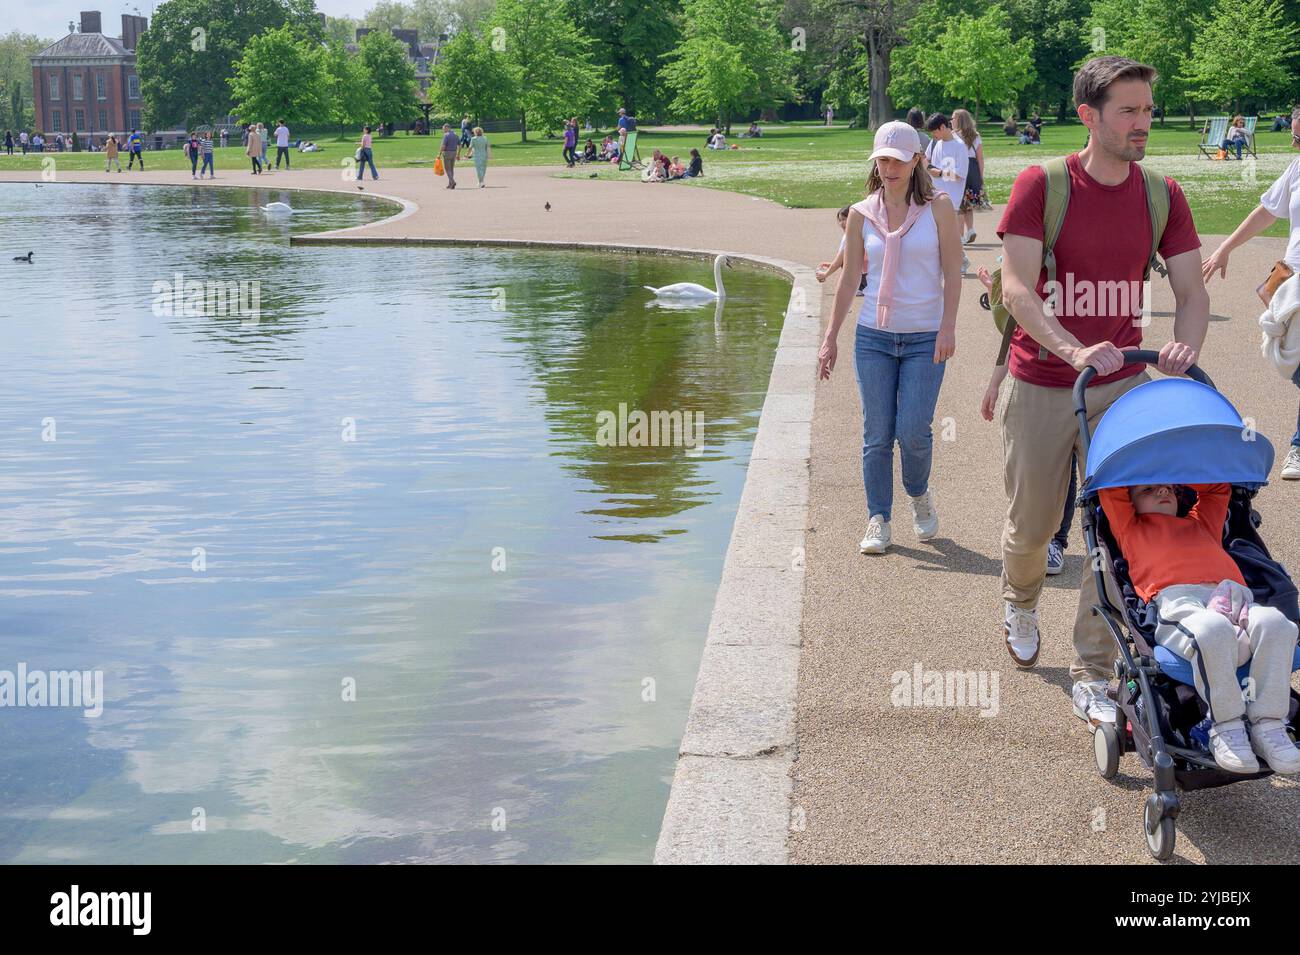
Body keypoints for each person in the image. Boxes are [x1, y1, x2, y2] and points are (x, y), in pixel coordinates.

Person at [994, 56, 1208, 729]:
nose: (1143, 122)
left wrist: (1186, 346)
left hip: (1122, 390)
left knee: (1116, 532)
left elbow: (1193, 291)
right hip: (1045, 383)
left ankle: (1094, 666)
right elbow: (1016, 289)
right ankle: (1020, 597)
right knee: (1032, 529)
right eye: (1128, 111)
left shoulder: (1162, 195)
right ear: (1089, 115)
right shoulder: (1042, 184)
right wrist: (1073, 347)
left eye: (1147, 109)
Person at [817, 120, 960, 554]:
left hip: (923, 336)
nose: (888, 168)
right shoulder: (861, 214)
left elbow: (954, 272)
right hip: (873, 338)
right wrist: (830, 338)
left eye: (897, 160)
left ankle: (918, 493)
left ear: (917, 159)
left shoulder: (938, 208)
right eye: (882, 160)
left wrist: (948, 326)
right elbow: (849, 282)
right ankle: (878, 517)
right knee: (877, 433)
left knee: (913, 431)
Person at [1100, 481, 1300, 773]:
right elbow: (1111, 490)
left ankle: (1267, 725)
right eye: (1148, 490)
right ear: (1130, 503)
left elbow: (1217, 489)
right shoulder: (1130, 528)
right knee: (1210, 629)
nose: (1162, 491)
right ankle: (1226, 725)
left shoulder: (1200, 522)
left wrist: (1178, 469)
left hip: (1229, 595)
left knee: (1278, 624)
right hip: (1178, 600)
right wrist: (1150, 468)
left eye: (1168, 488)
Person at [1203, 105, 1300, 480]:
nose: (1297, 143)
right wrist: (1226, 246)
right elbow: (1267, 210)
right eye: (1296, 136)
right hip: (1290, 283)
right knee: (1290, 361)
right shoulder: (1296, 170)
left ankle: (1297, 445)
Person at [924, 113, 970, 273]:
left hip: (952, 196)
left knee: (948, 232)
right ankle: (953, 259)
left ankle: (961, 258)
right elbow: (926, 161)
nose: (933, 135)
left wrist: (942, 173)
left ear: (943, 127)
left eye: (935, 132)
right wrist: (930, 169)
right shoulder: (935, 143)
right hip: (935, 193)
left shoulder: (959, 145)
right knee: (937, 231)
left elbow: (961, 173)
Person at [816, 205, 869, 296]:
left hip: (864, 274)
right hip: (865, 272)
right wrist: (831, 265)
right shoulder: (856, 233)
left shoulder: (851, 236)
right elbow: (840, 260)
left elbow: (840, 260)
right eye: (840, 220)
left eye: (845, 219)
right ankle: (861, 285)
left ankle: (860, 287)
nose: (841, 223)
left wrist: (825, 274)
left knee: (846, 260)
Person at [952, 108, 985, 247]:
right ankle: (970, 230)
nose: (951, 121)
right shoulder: (975, 135)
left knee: (959, 204)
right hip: (973, 169)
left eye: (953, 118)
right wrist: (980, 176)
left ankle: (959, 236)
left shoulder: (953, 136)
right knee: (968, 203)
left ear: (959, 120)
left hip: (960, 169)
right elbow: (980, 158)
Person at [438, 123, 459, 189]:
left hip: (447, 153)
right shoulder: (456, 135)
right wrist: (458, 154)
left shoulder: (446, 135)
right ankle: (450, 184)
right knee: (451, 168)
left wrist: (439, 154)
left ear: (447, 128)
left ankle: (452, 181)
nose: (443, 130)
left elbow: (443, 146)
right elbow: (460, 145)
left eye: (444, 129)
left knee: (447, 169)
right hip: (454, 152)